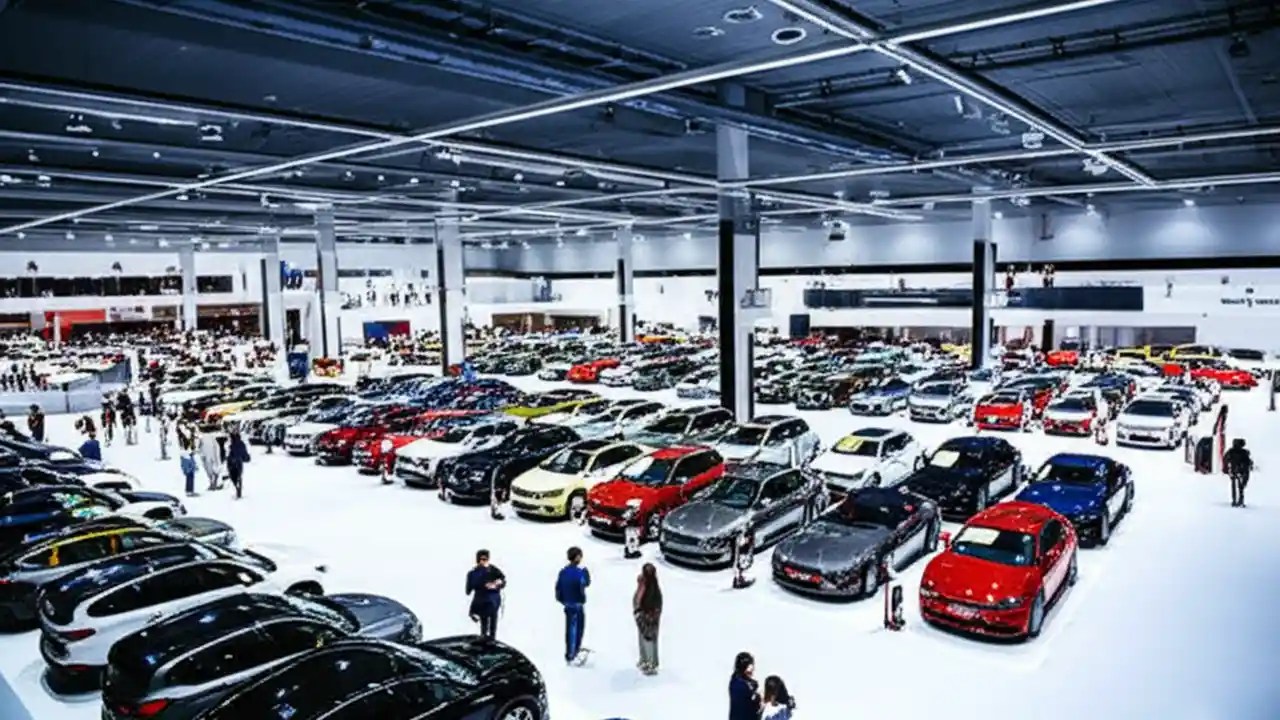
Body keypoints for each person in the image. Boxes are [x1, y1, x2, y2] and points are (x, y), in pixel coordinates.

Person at [555, 546, 591, 664]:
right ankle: (573, 652)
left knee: (569, 627)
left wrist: (562, 599)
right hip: (577, 602)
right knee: (577, 628)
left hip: (567, 603)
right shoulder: (580, 573)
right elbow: (585, 583)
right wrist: (586, 573)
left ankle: (570, 651)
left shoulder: (563, 572)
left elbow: (558, 588)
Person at [465, 550, 506, 640]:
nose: (484, 561)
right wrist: (485, 585)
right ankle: (484, 636)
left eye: (486, 559)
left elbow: (502, 580)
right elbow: (469, 589)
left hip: (493, 601)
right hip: (482, 601)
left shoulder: (493, 570)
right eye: (482, 559)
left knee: (492, 620)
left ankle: (491, 637)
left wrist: (497, 583)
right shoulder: (474, 573)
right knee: (484, 621)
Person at [633, 562, 663, 675]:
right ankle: (644, 660)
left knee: (649, 640)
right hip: (641, 616)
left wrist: (649, 615)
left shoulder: (653, 589)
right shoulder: (643, 583)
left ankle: (651, 664)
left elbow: (655, 605)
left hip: (649, 618)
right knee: (642, 639)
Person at [729, 651, 762, 720]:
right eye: (749, 669)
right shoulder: (739, 687)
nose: (752, 671)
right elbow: (747, 709)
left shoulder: (737, 680)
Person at [1223, 438, 1254, 508]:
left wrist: (1227, 469)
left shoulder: (1231, 451)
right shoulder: (1244, 452)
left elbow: (1225, 459)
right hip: (1241, 471)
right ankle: (1240, 500)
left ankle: (1235, 500)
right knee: (1241, 486)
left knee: (1234, 485)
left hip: (1234, 471)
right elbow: (1248, 462)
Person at [225, 429, 250, 499]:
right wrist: (246, 457)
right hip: (239, 461)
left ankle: (237, 485)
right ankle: (238, 487)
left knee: (233, 476)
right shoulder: (241, 443)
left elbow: (227, 453)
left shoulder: (230, 443)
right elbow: (244, 453)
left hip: (232, 462)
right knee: (239, 475)